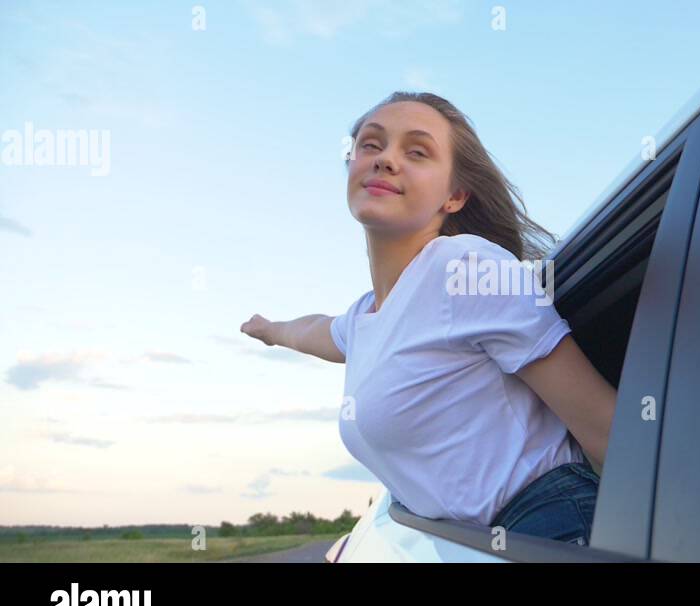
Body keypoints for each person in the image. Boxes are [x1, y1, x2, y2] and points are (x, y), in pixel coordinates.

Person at [241, 92, 617, 547]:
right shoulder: (365, 319)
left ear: (454, 195)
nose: (385, 160)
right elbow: (316, 330)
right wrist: (270, 330)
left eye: (416, 151)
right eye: (370, 145)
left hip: (549, 523)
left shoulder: (464, 267)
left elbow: (603, 425)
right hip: (476, 542)